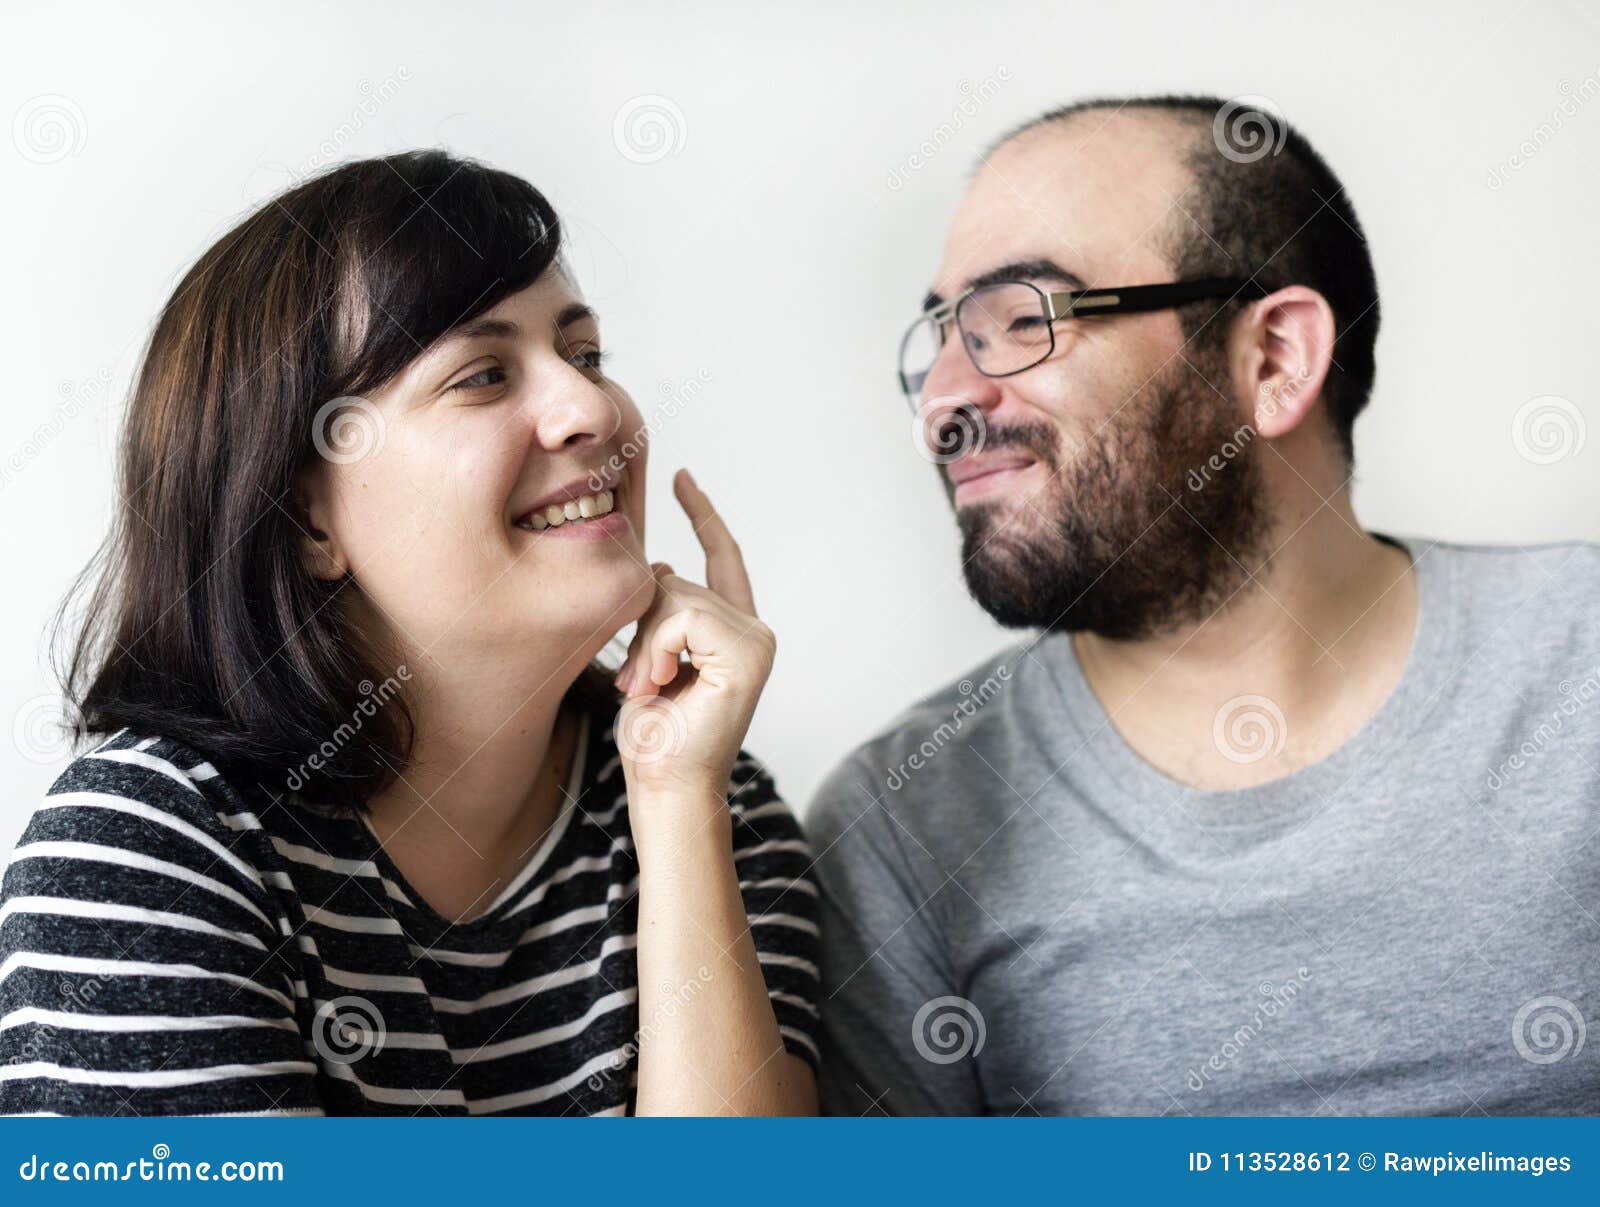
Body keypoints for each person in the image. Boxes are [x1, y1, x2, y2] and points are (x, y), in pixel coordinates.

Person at [810, 95, 1599, 1115]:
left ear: (1271, 361)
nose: (944, 402)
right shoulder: (902, 825)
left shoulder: (1578, 662)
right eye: (942, 337)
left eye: (1020, 320)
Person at [0, 151, 818, 1116]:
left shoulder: (720, 806)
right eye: (481, 375)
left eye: (586, 355)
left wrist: (681, 803)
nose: (593, 409)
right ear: (311, 520)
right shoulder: (150, 850)